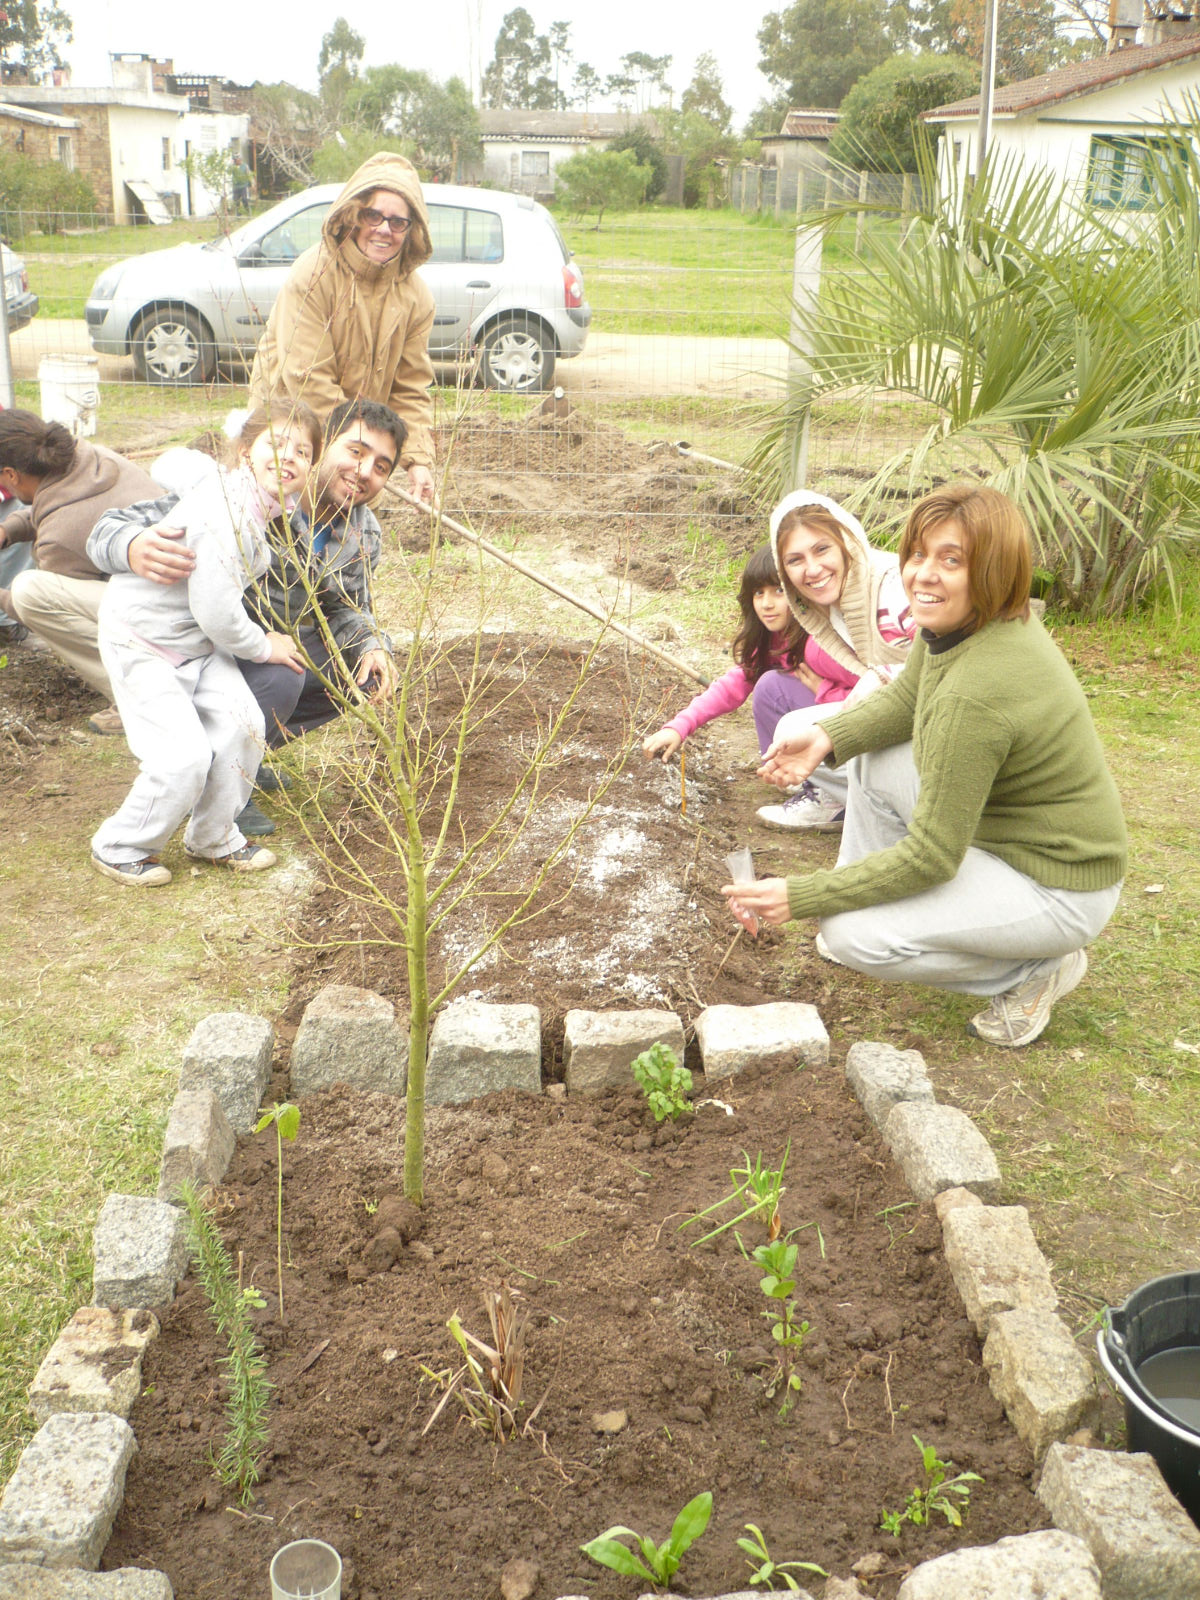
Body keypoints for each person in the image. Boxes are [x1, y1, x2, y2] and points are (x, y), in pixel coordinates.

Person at [723, 484, 1127, 1050]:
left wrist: (808, 896)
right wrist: (826, 738)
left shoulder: (977, 692)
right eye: (918, 554)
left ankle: (1036, 970)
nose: (923, 575)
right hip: (1002, 835)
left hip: (1056, 883)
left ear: (992, 570)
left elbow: (932, 856)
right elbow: (906, 698)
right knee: (875, 755)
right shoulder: (960, 628)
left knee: (851, 934)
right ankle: (875, 894)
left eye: (952, 559)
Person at [91, 397, 406, 838]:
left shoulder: (362, 532)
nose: (365, 471)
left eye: (381, 465)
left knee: (361, 670)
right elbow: (107, 527)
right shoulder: (250, 489)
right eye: (356, 452)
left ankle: (243, 760)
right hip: (206, 641)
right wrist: (129, 545)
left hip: (256, 642)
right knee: (283, 677)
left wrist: (373, 644)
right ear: (323, 446)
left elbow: (347, 608)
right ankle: (216, 779)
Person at [88, 403, 320, 888]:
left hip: (194, 644)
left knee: (244, 725)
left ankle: (214, 835)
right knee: (183, 756)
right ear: (245, 452)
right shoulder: (226, 511)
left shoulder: (263, 508)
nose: (289, 457)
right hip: (144, 639)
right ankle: (121, 845)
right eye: (275, 444)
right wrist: (263, 646)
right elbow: (215, 609)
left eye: (303, 450)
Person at [248, 151, 436, 505]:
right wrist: (361, 448)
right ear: (354, 215)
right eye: (374, 215)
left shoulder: (416, 296)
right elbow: (306, 378)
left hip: (355, 445)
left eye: (398, 222)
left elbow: (410, 388)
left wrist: (417, 458)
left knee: (349, 544)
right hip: (291, 434)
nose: (384, 229)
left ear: (411, 229)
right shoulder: (313, 274)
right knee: (285, 539)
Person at [759, 490, 918, 831]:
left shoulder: (894, 586)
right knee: (793, 731)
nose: (813, 569)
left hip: (942, 717)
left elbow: (953, 660)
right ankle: (845, 804)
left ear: (846, 543)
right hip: (905, 713)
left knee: (840, 742)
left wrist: (883, 677)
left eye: (822, 549)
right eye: (795, 560)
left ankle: (907, 811)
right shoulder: (826, 611)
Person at [0, 411, 164, 733]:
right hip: (177, 590)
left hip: (163, 613)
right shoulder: (90, 458)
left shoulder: (59, 538)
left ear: (11, 474)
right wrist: (7, 530)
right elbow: (54, 508)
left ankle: (140, 694)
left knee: (30, 593)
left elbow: (45, 605)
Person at [642, 545, 851, 778]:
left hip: (856, 735)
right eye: (758, 593)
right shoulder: (774, 639)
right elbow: (732, 686)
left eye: (779, 590)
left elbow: (876, 699)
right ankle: (806, 783)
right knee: (770, 686)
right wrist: (679, 727)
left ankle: (831, 793)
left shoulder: (820, 644)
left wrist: (825, 692)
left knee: (773, 689)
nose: (766, 604)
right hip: (828, 728)